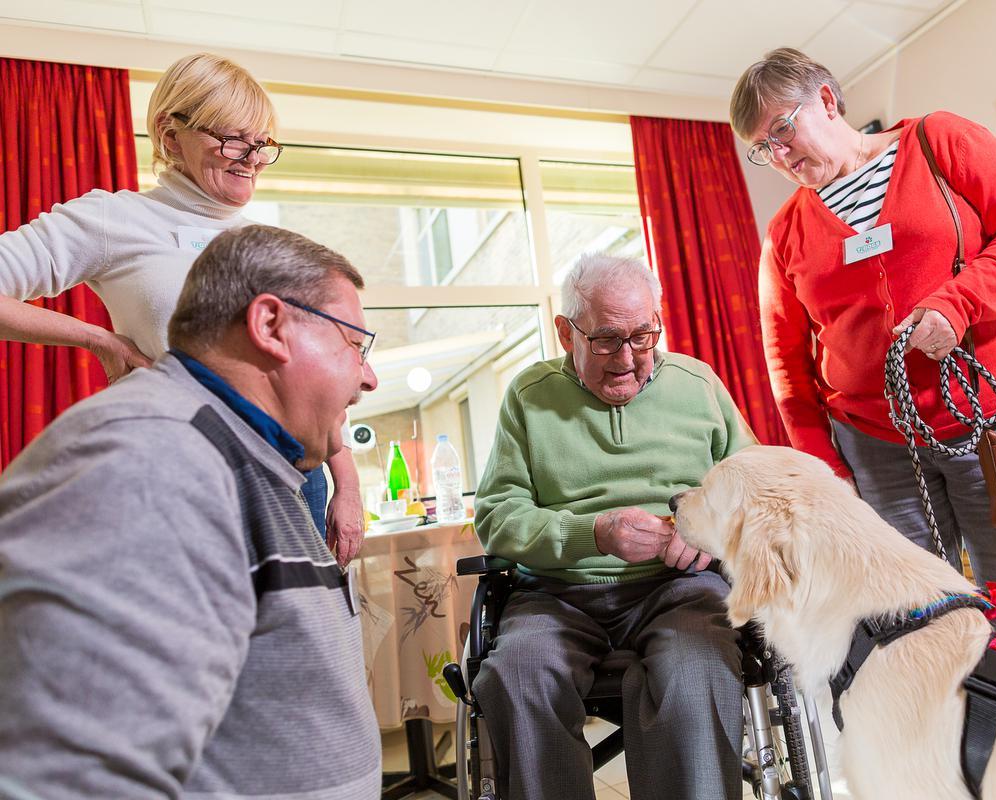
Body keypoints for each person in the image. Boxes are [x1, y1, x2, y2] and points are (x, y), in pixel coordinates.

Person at [0, 225, 381, 798]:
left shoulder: (243, 457)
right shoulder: (153, 464)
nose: (369, 377)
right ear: (271, 326)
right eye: (355, 344)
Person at [729, 47, 996, 621]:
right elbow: (786, 364)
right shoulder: (786, 231)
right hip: (876, 450)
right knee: (916, 621)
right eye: (763, 148)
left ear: (825, 100)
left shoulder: (938, 142)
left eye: (782, 130)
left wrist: (960, 303)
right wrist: (825, 467)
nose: (779, 154)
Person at [0, 52, 365, 564]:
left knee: (304, 642)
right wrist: (96, 338)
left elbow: (303, 380)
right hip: (186, 476)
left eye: (262, 144)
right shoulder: (115, 219)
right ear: (171, 136)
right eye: (233, 139)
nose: (252, 158)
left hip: (294, 479)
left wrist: (344, 480)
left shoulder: (264, 241)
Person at [472, 253, 756, 800]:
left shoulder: (697, 385)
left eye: (644, 336)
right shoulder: (529, 397)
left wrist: (705, 535)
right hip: (557, 593)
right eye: (605, 340)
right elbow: (497, 516)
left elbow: (754, 490)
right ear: (565, 333)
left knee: (694, 671)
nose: (627, 359)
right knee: (521, 674)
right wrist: (593, 534)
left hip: (680, 588)